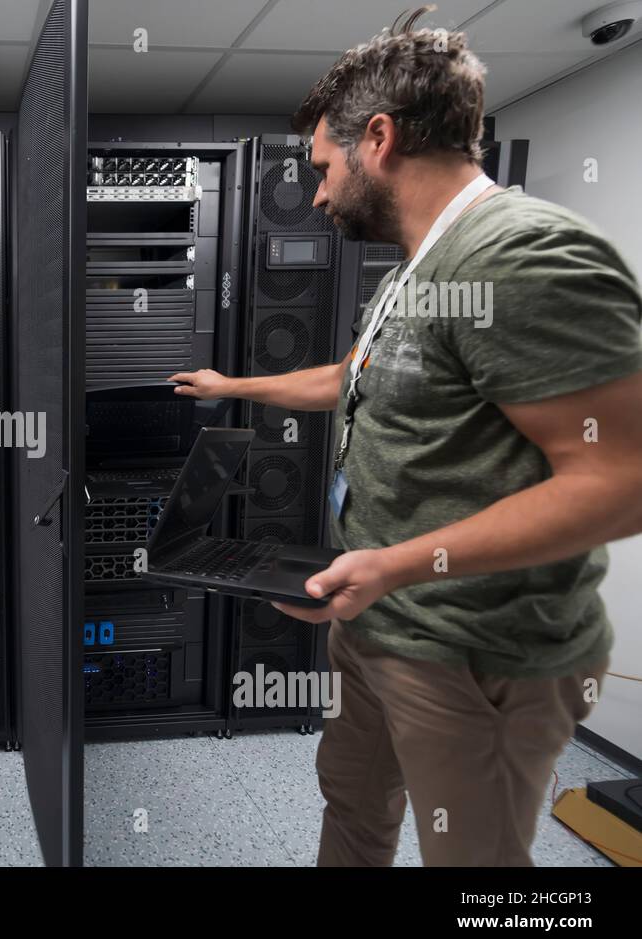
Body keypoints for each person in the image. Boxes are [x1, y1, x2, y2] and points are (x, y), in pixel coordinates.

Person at [169, 6, 642, 866]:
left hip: (475, 654)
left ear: (378, 138)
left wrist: (391, 565)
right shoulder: (417, 271)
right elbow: (347, 376)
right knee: (353, 810)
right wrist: (231, 385)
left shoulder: (521, 256)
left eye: (321, 167)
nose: (314, 194)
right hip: (379, 625)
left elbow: (621, 479)